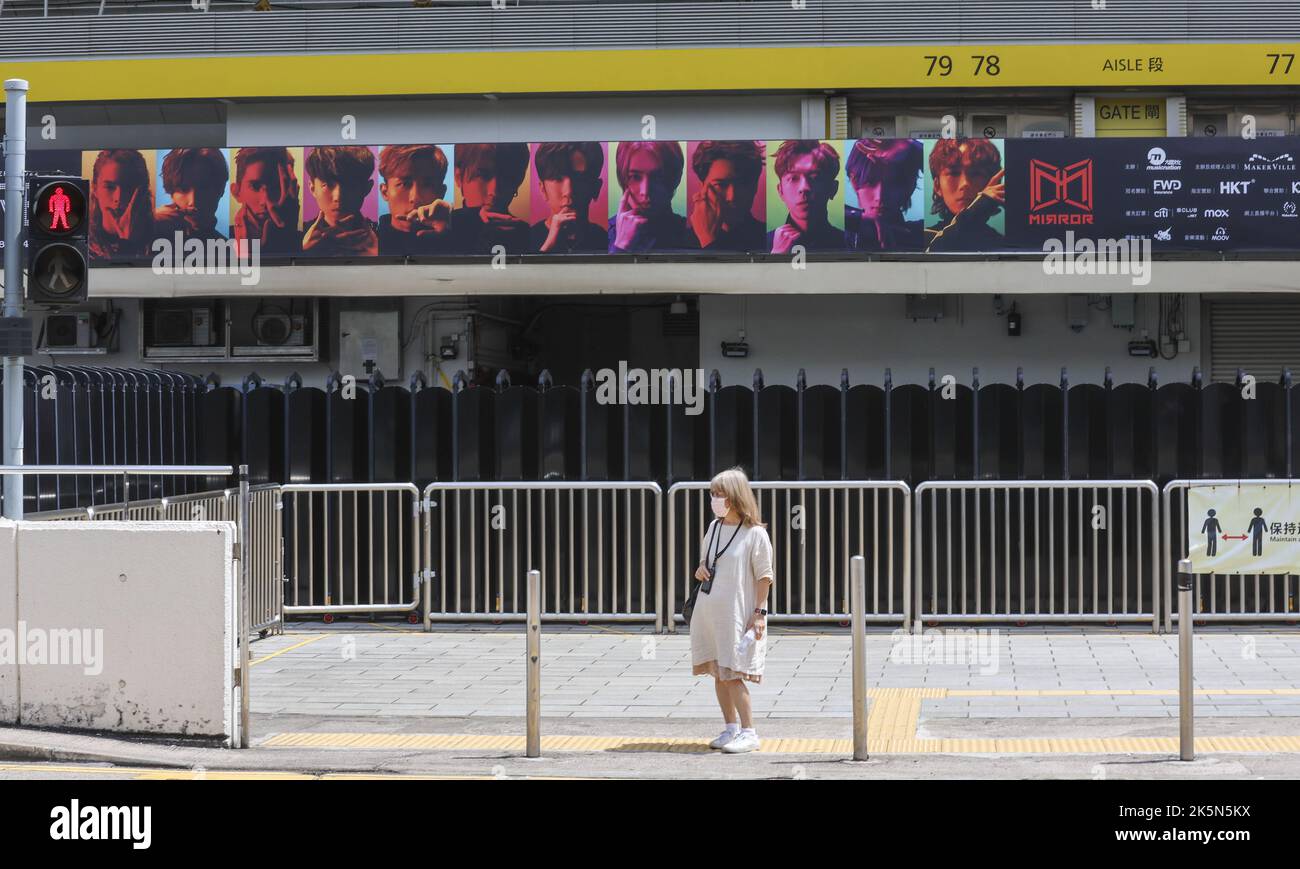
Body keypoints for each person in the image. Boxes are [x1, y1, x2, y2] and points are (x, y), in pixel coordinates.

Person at [690, 466, 774, 754]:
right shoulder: (714, 528)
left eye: (719, 494)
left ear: (735, 497)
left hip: (738, 614)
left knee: (734, 673)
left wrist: (759, 614)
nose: (714, 499)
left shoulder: (755, 535)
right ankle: (730, 727)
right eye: (712, 494)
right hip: (711, 612)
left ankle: (749, 731)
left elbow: (765, 576)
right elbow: (707, 563)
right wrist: (700, 570)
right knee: (718, 672)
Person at [924, 137, 1005, 253]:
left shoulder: (1001, 242)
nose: (965, 184)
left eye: (976, 173)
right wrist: (978, 208)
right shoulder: (922, 238)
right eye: (953, 173)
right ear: (937, 186)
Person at [608, 141, 690, 253]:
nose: (645, 191)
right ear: (623, 178)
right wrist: (621, 246)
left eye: (657, 178)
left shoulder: (692, 234)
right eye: (635, 177)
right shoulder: (603, 234)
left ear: (675, 178)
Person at [449, 143, 531, 254]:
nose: (494, 191)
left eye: (506, 177)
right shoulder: (444, 226)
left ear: (518, 181)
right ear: (458, 177)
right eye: (483, 175)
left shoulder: (527, 235)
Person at [844, 138, 924, 251]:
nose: (880, 196)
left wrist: (913, 148)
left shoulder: (923, 236)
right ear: (854, 182)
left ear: (910, 186)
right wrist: (858, 219)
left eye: (893, 183)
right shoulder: (837, 236)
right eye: (870, 182)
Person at [529, 142, 608, 253]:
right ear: (543, 190)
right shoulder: (527, 238)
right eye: (557, 178)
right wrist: (547, 247)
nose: (568, 191)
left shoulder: (605, 240)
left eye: (579, 178)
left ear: (596, 188)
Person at [767, 139, 845, 254]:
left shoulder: (851, 243)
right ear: (780, 191)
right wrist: (776, 256)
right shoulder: (764, 243)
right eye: (793, 178)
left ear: (832, 189)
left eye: (815, 177)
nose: (804, 187)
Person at [687, 140, 766, 252]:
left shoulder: (769, 239)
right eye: (720, 185)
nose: (731, 197)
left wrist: (707, 239)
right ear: (702, 186)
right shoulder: (680, 240)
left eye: (742, 184)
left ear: (755, 187)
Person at [302, 146, 379, 257]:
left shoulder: (384, 236)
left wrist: (380, 256)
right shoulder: (297, 237)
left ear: (367, 188)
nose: (338, 197)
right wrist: (304, 252)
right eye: (327, 185)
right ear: (312, 188)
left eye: (350, 184)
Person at [377, 144, 455, 256]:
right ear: (385, 192)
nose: (415, 198)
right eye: (404, 184)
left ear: (441, 192)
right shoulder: (369, 241)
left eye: (427, 185)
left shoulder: (457, 237)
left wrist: (449, 238)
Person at [230, 146, 302, 256]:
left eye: (275, 187)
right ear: (237, 192)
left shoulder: (304, 242)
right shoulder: (219, 243)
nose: (265, 201)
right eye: (255, 186)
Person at [88, 149, 154, 260]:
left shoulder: (159, 239)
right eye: (109, 187)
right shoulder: (83, 245)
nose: (118, 198)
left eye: (128, 188)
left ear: (142, 192)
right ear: (95, 188)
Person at [153, 148, 229, 242]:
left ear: (221, 189)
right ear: (171, 191)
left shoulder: (228, 250)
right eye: (183, 189)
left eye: (204, 188)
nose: (193, 202)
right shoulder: (153, 229)